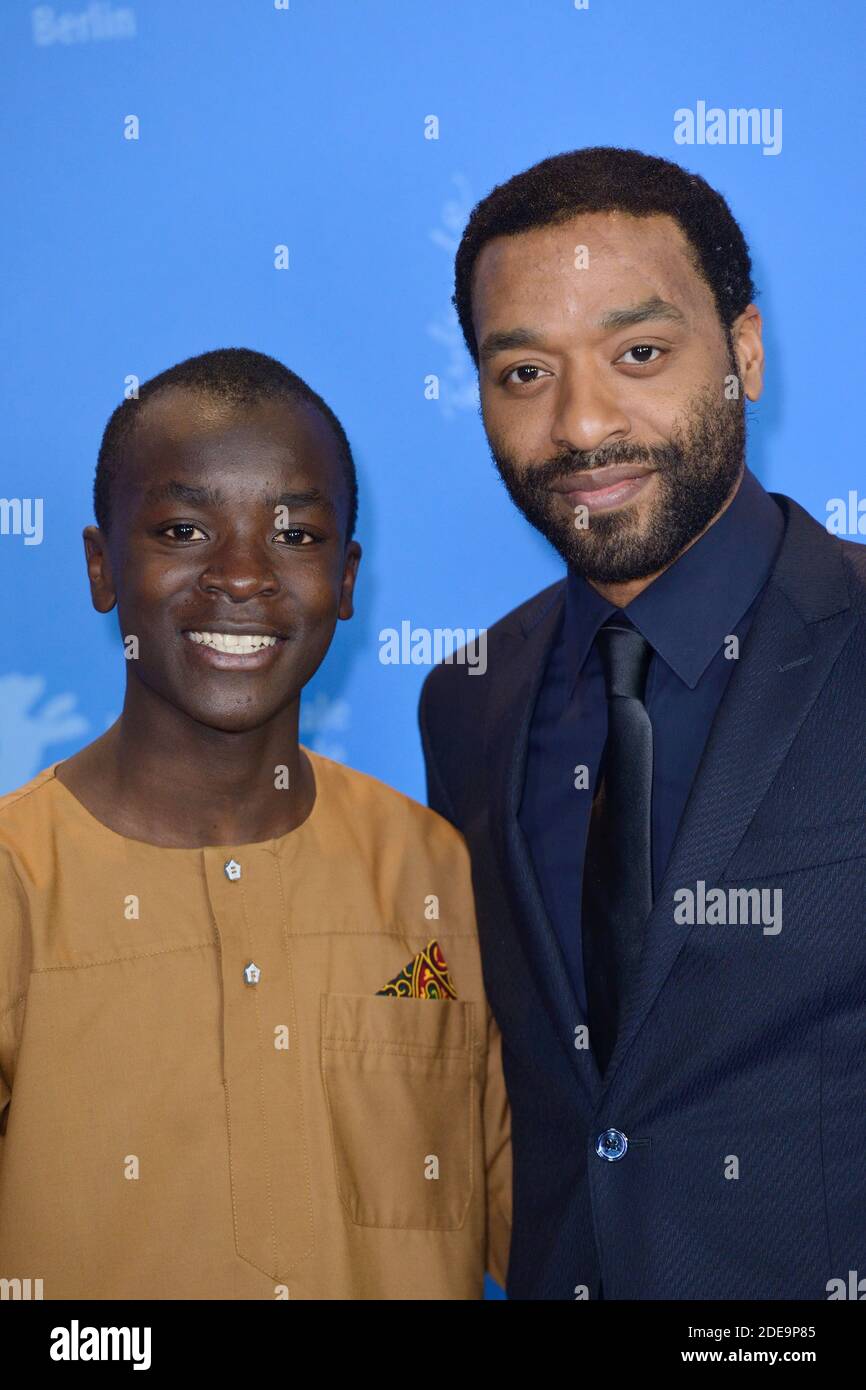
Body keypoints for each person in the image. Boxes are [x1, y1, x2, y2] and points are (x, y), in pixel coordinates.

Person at [419, 147, 866, 1300]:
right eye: (523, 371)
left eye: (638, 355)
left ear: (744, 354)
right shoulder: (465, 698)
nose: (580, 425)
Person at [0, 347, 511, 1300]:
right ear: (102, 567)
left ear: (346, 581)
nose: (241, 576)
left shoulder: (431, 868)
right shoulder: (17, 883)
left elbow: (543, 1219)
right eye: (183, 530)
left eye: (296, 535)